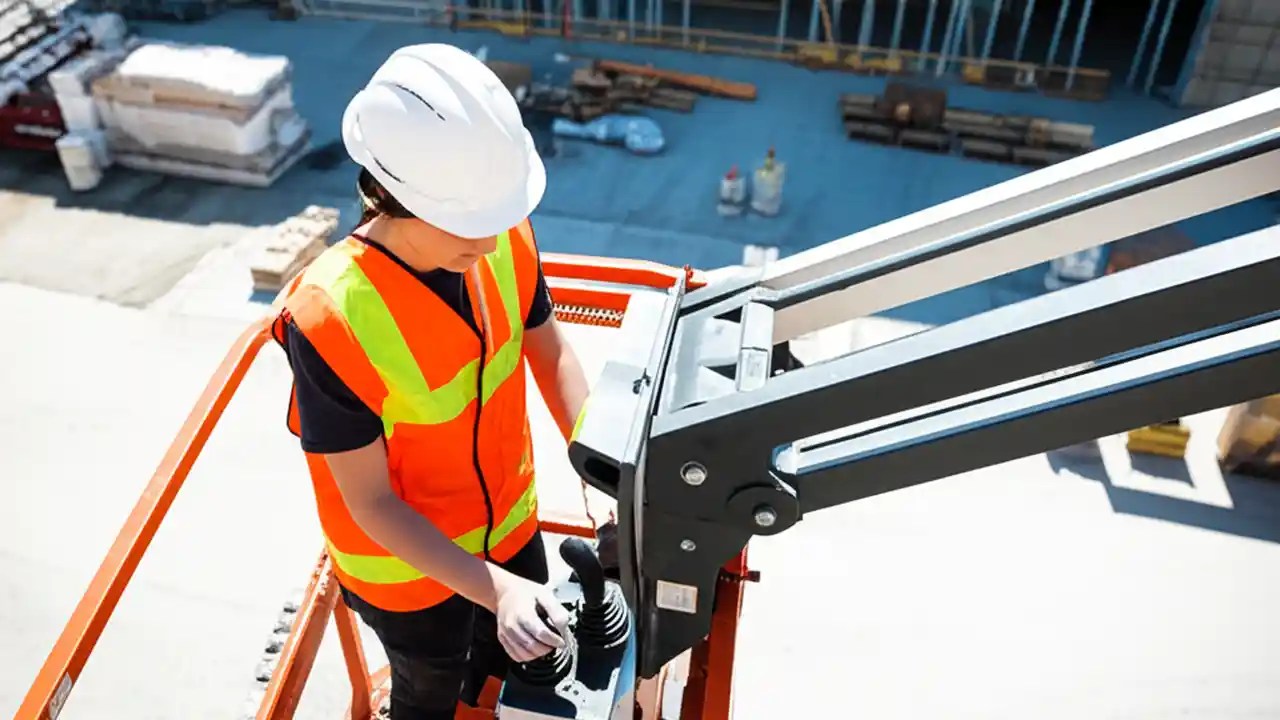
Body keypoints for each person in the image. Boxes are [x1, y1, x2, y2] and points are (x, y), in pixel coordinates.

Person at [269, 43, 591, 719]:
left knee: (520, 674)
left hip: (509, 533)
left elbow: (550, 352)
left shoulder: (500, 232)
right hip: (407, 577)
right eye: (469, 226)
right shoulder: (330, 315)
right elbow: (370, 504)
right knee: (430, 691)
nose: (490, 242)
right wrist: (495, 591)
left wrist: (605, 474)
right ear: (396, 196)